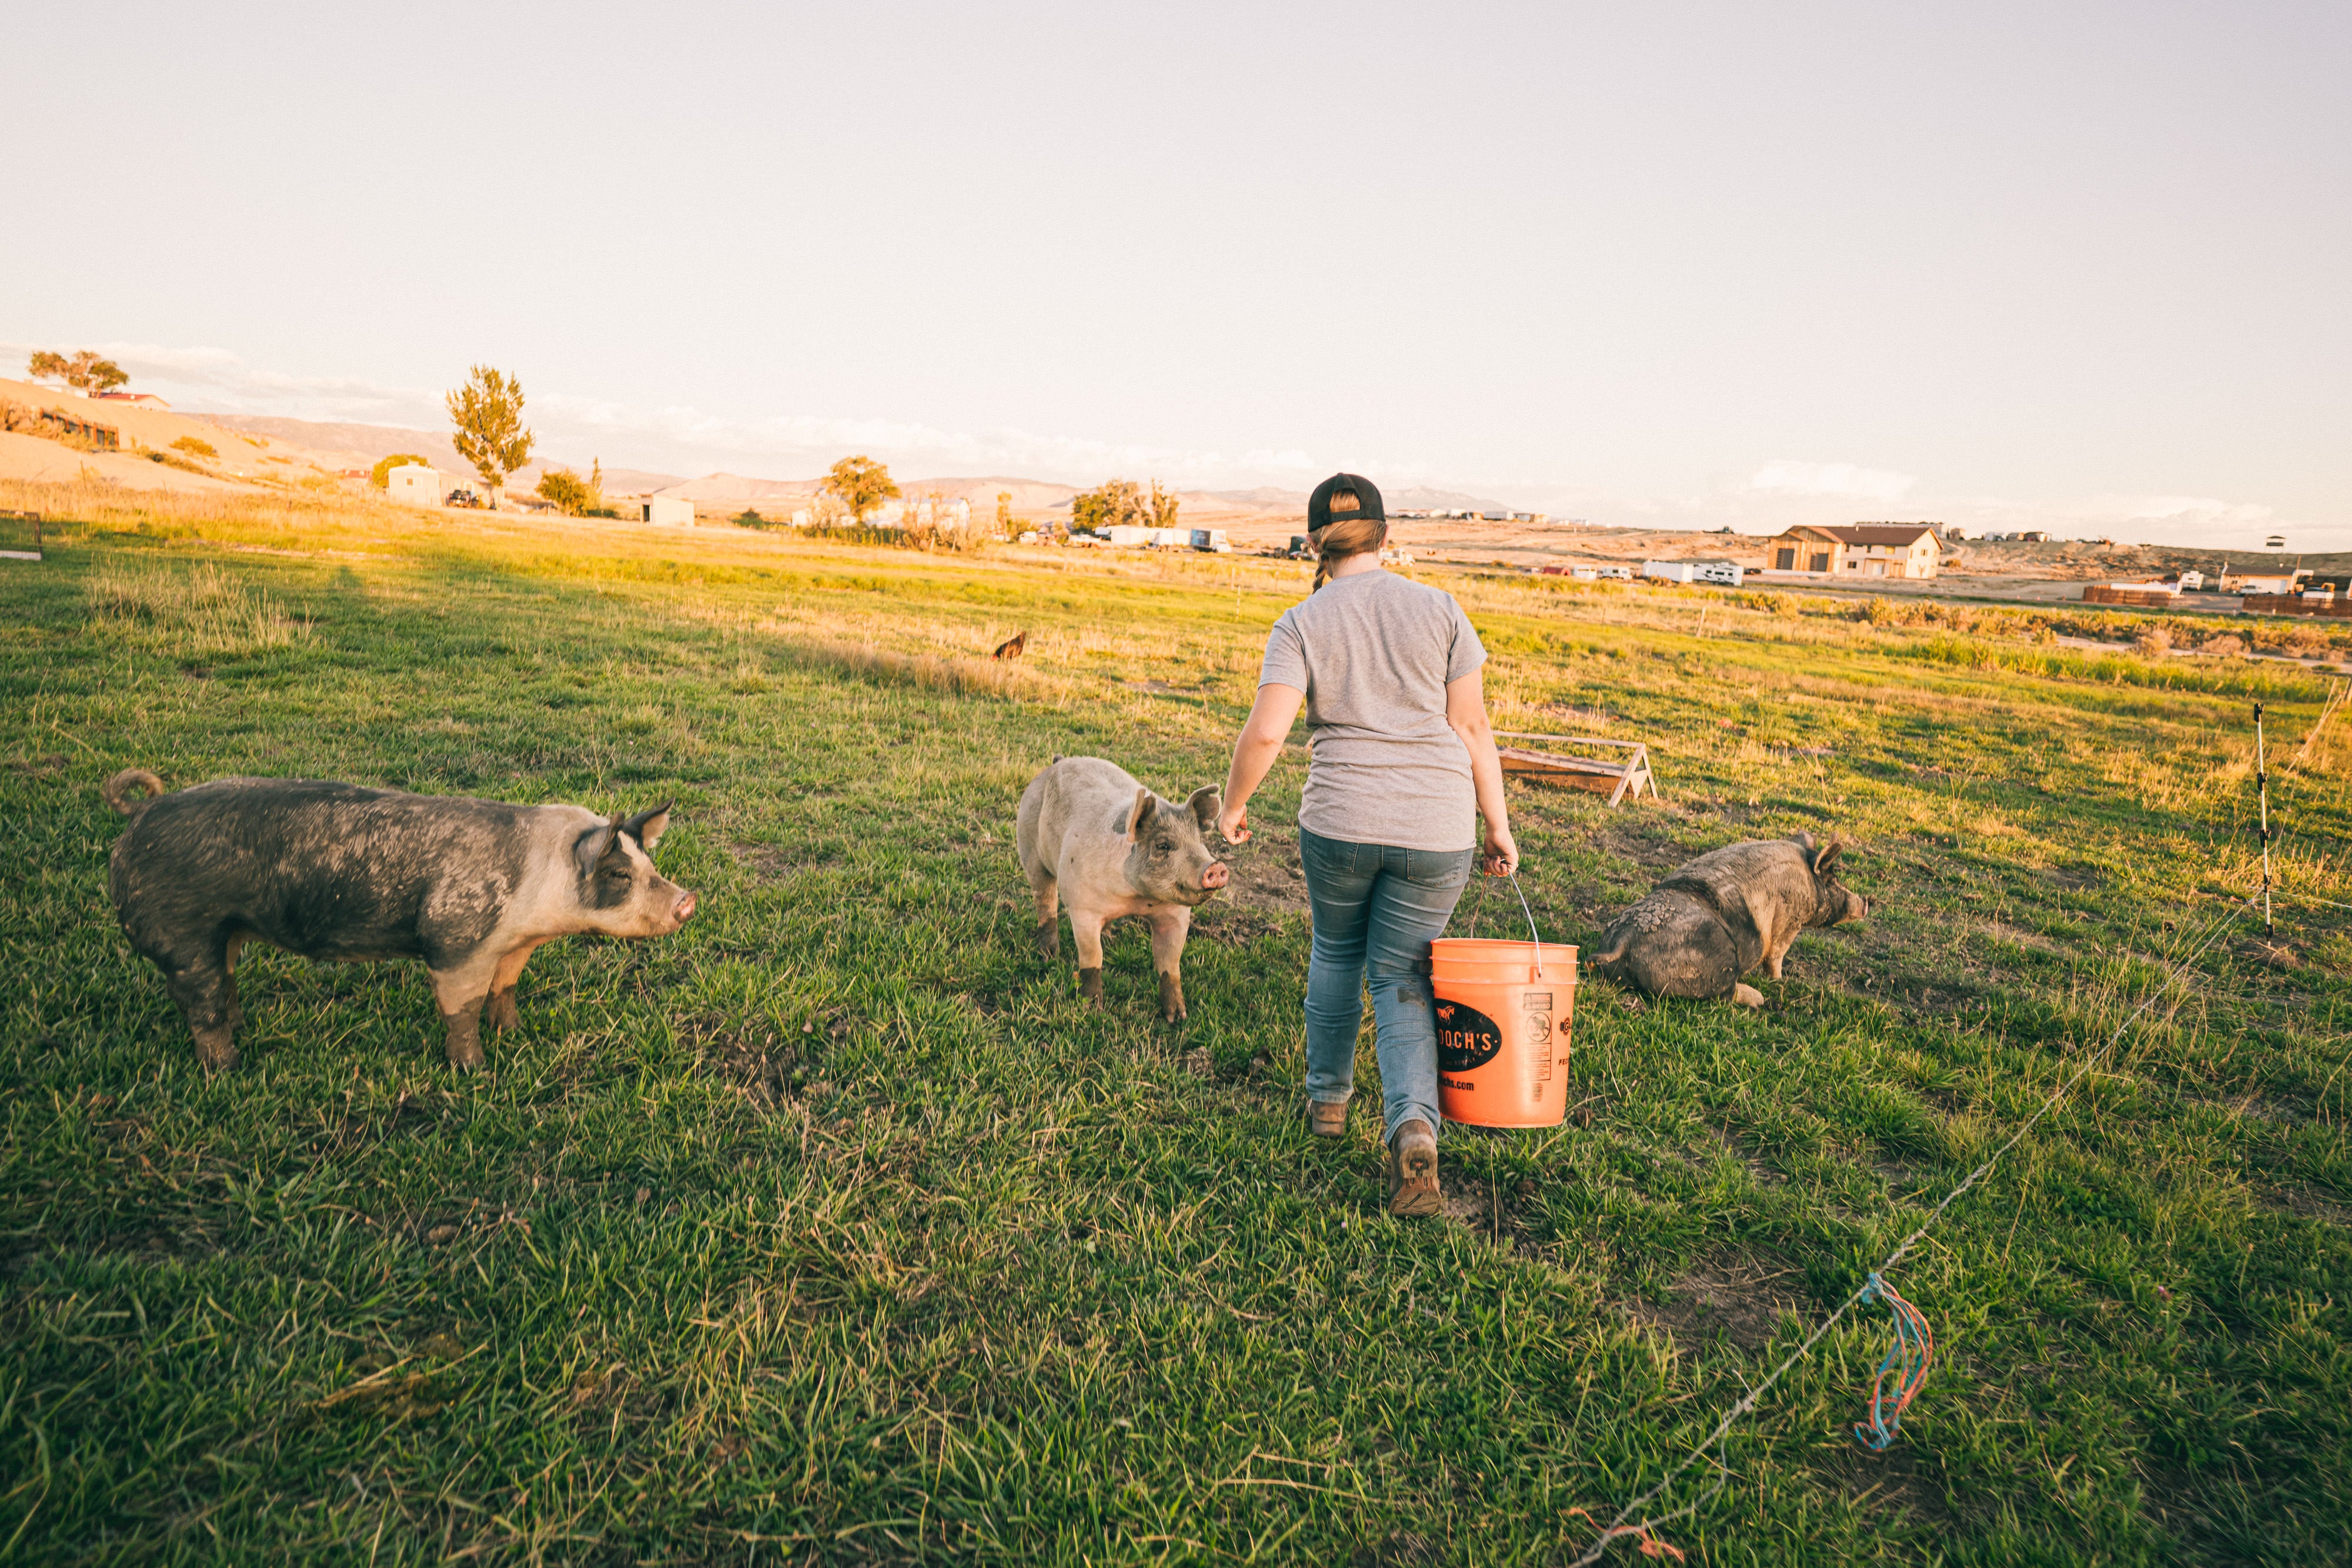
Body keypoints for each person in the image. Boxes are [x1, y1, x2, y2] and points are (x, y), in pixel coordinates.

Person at [1217, 473, 1518, 1217]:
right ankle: (1414, 1129)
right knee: (1403, 977)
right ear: (1385, 534)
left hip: (1340, 823)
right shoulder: (1441, 609)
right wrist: (1497, 824)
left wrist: (1232, 805)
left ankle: (1327, 1106)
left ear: (1314, 539)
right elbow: (1473, 729)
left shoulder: (1300, 621)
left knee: (1336, 954)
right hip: (1436, 827)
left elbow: (1266, 732)